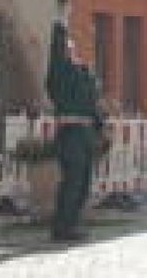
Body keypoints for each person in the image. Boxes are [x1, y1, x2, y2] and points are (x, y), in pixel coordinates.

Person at [45, 20, 105, 242]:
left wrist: (100, 127)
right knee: (72, 182)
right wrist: (60, 21)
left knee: (83, 183)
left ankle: (73, 224)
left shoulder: (83, 72)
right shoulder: (59, 74)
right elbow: (57, 48)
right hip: (70, 133)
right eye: (66, 48)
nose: (70, 51)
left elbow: (93, 103)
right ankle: (62, 227)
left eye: (71, 48)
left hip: (86, 133)